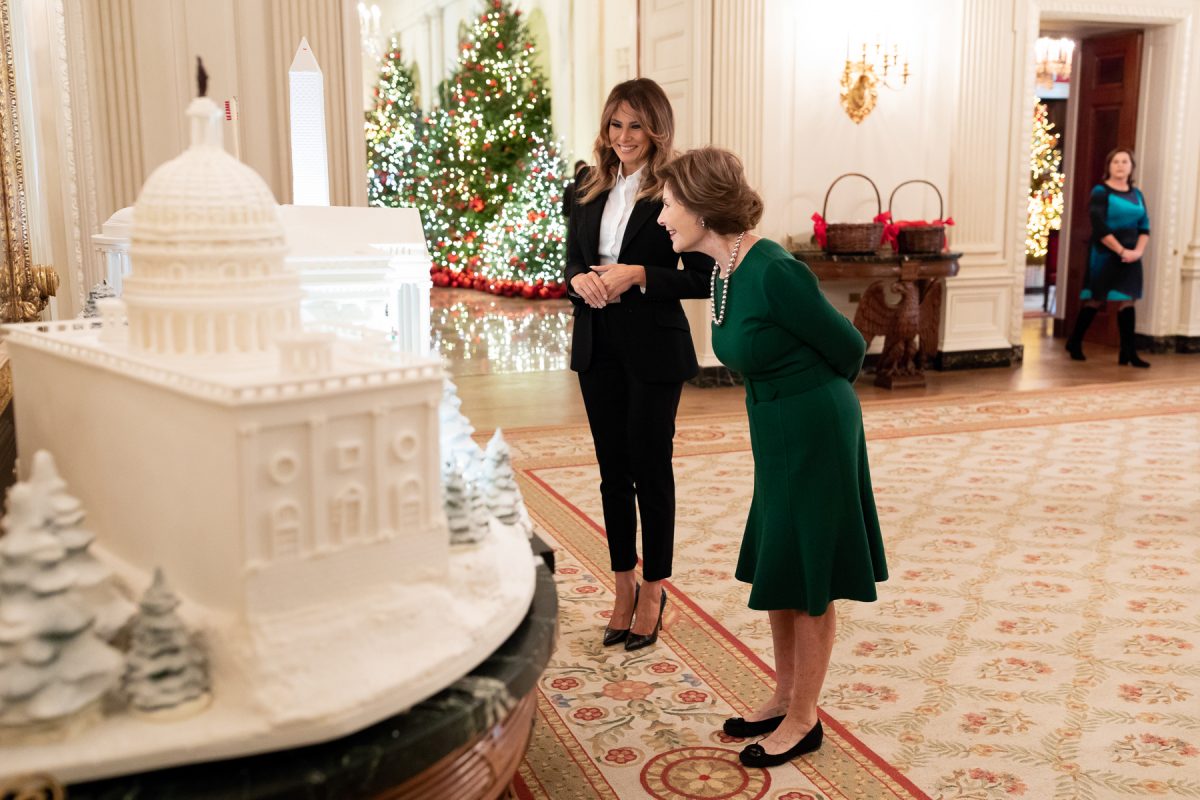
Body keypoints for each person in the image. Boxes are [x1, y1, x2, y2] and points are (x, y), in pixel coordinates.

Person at [657, 148, 887, 768]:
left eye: (670, 203)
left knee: (811, 574)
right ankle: (785, 695)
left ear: (704, 207)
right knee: (783, 563)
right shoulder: (724, 269)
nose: (661, 216)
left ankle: (805, 719)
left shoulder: (775, 269)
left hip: (814, 426)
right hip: (777, 427)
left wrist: (812, 398)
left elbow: (849, 347)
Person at [564, 79, 709, 652]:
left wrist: (641, 275)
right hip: (597, 342)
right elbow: (572, 258)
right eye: (616, 124)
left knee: (650, 466)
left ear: (657, 129)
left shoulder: (678, 188)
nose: (624, 136)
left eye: (636, 125)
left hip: (653, 346)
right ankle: (622, 584)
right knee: (610, 470)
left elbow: (702, 276)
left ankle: (654, 589)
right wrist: (578, 279)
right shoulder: (584, 183)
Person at [1064, 147, 1151, 367]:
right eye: (1116, 162)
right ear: (1109, 167)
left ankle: (1128, 352)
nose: (1120, 166)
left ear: (1131, 167)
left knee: (1128, 299)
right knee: (1097, 297)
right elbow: (1099, 226)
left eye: (1125, 162)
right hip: (1105, 252)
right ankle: (1075, 342)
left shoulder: (1137, 194)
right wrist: (1121, 251)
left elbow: (1145, 227)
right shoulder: (1101, 192)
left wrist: (1137, 252)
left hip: (1132, 253)